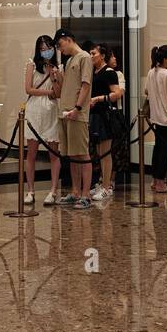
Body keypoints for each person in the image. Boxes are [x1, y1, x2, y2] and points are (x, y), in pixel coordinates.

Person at [55, 28, 93, 208]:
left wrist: (78, 108)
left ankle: (86, 194)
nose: (61, 50)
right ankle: (75, 191)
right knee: (71, 154)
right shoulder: (70, 60)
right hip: (65, 112)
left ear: (68, 40)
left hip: (78, 114)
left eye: (61, 45)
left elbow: (85, 85)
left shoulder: (84, 57)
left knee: (82, 153)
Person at [22, 35, 61, 206]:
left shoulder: (58, 67)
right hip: (34, 110)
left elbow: (58, 92)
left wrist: (54, 77)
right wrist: (48, 93)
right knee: (32, 152)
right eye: (42, 49)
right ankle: (30, 190)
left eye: (49, 48)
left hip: (51, 111)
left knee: (54, 151)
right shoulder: (32, 64)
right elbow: (28, 89)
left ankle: (53, 191)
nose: (46, 52)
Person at [88, 43, 123, 201]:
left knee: (105, 152)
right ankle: (103, 182)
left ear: (102, 55)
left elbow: (116, 94)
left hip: (105, 115)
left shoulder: (109, 73)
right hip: (94, 115)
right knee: (98, 151)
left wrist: (98, 99)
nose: (91, 56)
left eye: (94, 53)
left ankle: (107, 186)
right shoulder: (93, 72)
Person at [145, 45, 167, 193]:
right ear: (165, 59)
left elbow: (146, 91)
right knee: (165, 151)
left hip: (157, 116)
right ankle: (160, 183)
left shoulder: (151, 72)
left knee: (158, 148)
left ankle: (155, 180)